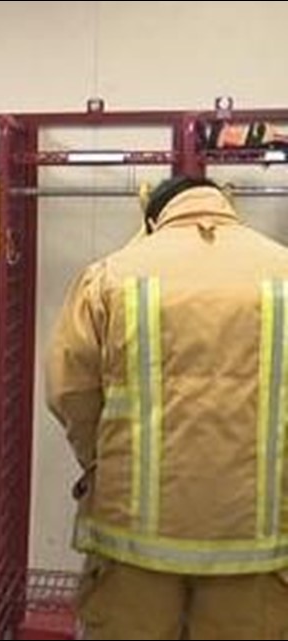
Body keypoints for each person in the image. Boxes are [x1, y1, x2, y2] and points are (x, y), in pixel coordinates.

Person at [47, 176, 288, 639]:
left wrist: (101, 459)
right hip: (255, 543)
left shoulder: (112, 275)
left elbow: (69, 390)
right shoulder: (281, 269)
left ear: (153, 219)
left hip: (133, 540)